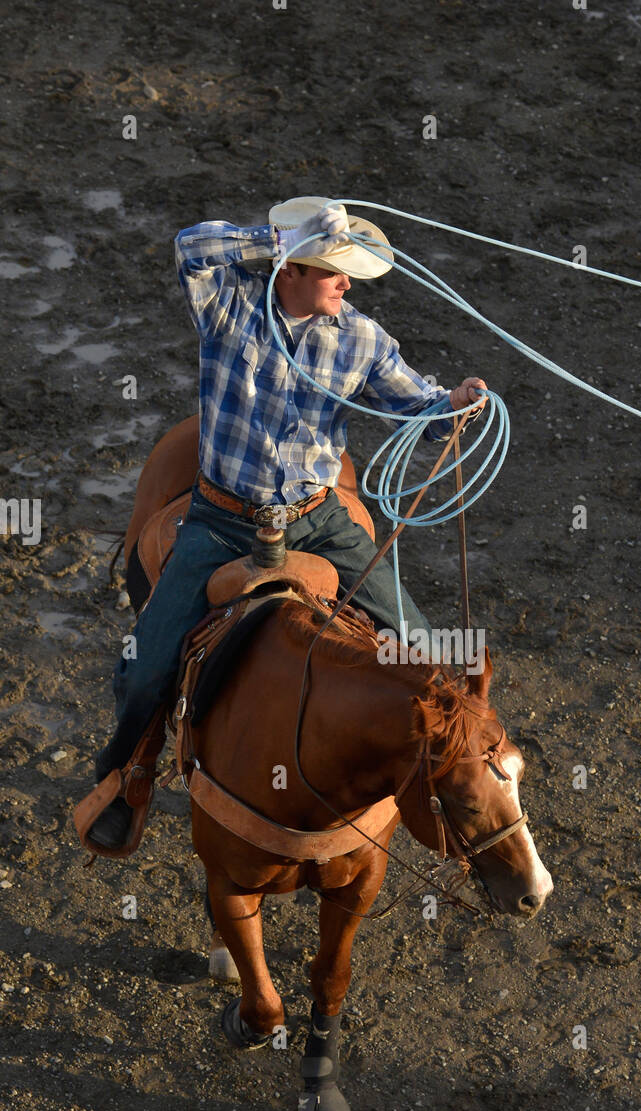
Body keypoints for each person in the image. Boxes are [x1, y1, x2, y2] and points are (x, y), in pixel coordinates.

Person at [88, 197, 486, 849]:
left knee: (422, 646)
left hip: (318, 518)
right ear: (291, 267)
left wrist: (457, 404)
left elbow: (419, 406)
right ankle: (126, 774)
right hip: (220, 518)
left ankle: (443, 783)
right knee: (140, 667)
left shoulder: (359, 339)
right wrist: (277, 237)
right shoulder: (230, 308)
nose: (347, 284)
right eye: (333, 270)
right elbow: (191, 244)